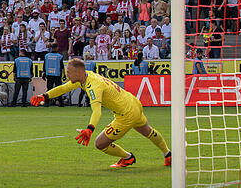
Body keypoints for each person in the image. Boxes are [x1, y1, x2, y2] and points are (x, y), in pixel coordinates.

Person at [32, 58, 171, 168]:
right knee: (147, 130)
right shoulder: (87, 76)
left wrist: (89, 129)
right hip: (133, 102)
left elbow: (97, 111)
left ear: (78, 72)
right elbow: (64, 88)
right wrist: (44, 96)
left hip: (126, 115)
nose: (66, 74)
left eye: (68, 72)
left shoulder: (94, 86)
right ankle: (167, 153)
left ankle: (128, 158)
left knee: (100, 143)